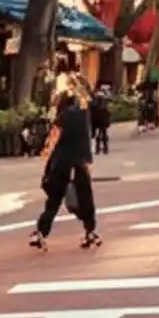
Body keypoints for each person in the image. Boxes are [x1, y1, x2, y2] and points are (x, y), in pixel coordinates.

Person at [29, 92, 99, 250]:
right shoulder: (84, 114)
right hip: (80, 162)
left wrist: (45, 161)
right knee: (85, 198)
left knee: (53, 201)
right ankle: (90, 231)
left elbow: (52, 143)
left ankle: (40, 232)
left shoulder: (61, 119)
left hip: (61, 163)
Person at [89, 86, 111, 155]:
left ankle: (97, 149)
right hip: (102, 119)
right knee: (103, 133)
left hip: (96, 119)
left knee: (97, 134)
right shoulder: (104, 100)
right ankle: (105, 149)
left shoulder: (94, 101)